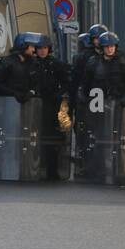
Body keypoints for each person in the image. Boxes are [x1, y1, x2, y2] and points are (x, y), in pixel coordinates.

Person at [35, 35, 70, 180]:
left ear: (49, 49)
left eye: (45, 48)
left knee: (52, 139)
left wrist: (60, 94)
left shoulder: (56, 64)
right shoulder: (32, 64)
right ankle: (36, 169)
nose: (42, 51)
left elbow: (67, 82)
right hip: (35, 103)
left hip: (52, 104)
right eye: (39, 49)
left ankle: (52, 170)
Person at [0, 33, 39, 102]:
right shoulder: (6, 62)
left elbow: (38, 82)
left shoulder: (34, 62)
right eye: (31, 47)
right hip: (8, 103)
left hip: (29, 105)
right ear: (23, 46)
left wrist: (32, 92)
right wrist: (13, 93)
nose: (33, 50)